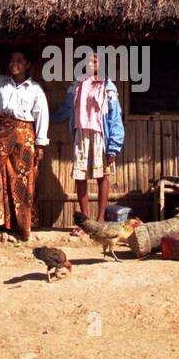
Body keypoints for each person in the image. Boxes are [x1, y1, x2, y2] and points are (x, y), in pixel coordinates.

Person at [0, 46, 49, 240]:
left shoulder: (35, 90)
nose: (15, 64)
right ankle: (4, 222)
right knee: (2, 177)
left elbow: (42, 116)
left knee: (24, 179)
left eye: (20, 61)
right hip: (3, 137)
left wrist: (40, 144)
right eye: (12, 60)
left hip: (25, 138)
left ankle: (23, 223)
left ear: (28, 65)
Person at [52, 50, 125, 234]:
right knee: (80, 176)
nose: (91, 63)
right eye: (87, 60)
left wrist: (114, 147)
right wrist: (45, 117)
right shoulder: (76, 84)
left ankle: (99, 222)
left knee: (103, 176)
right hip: (81, 135)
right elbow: (66, 108)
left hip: (101, 135)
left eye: (95, 60)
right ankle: (85, 222)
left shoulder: (108, 86)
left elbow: (115, 117)